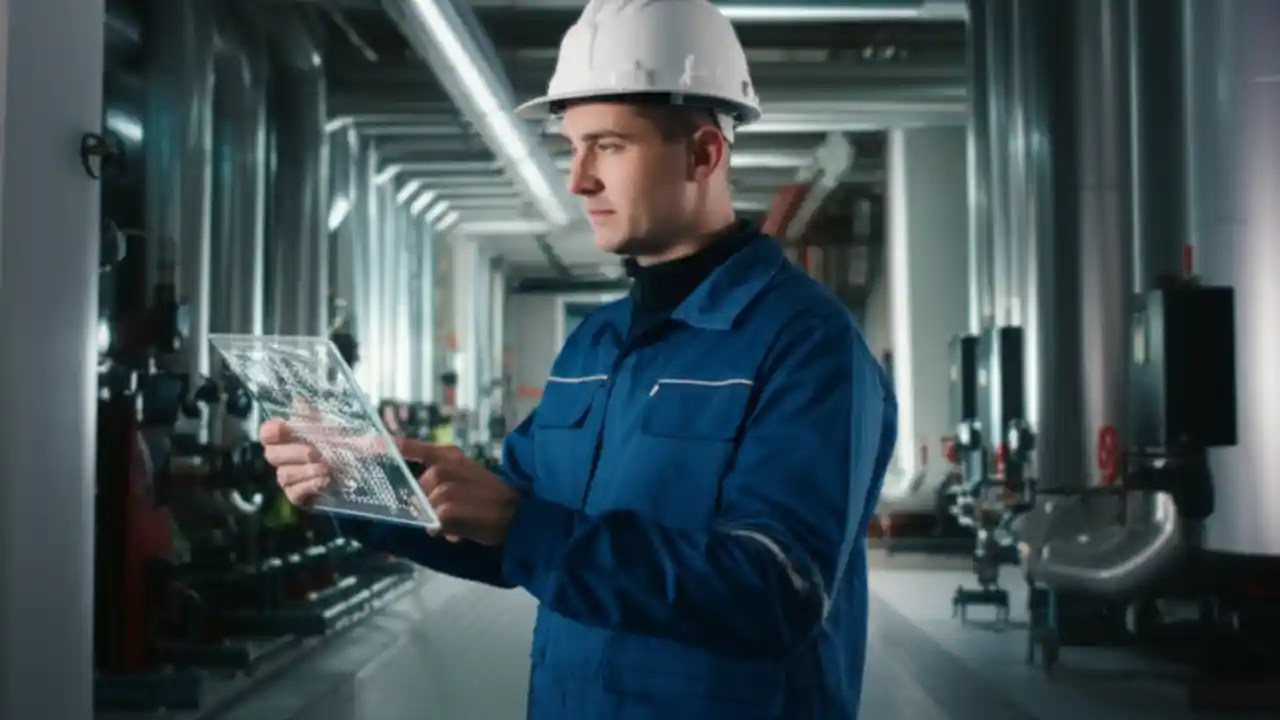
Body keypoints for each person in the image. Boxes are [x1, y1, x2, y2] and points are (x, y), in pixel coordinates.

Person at [259, 0, 897, 717]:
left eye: (610, 146)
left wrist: (521, 524)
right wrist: (361, 490)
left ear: (704, 152)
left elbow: (778, 591)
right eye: (573, 147)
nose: (578, 180)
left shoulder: (806, 345)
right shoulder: (596, 345)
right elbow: (513, 535)